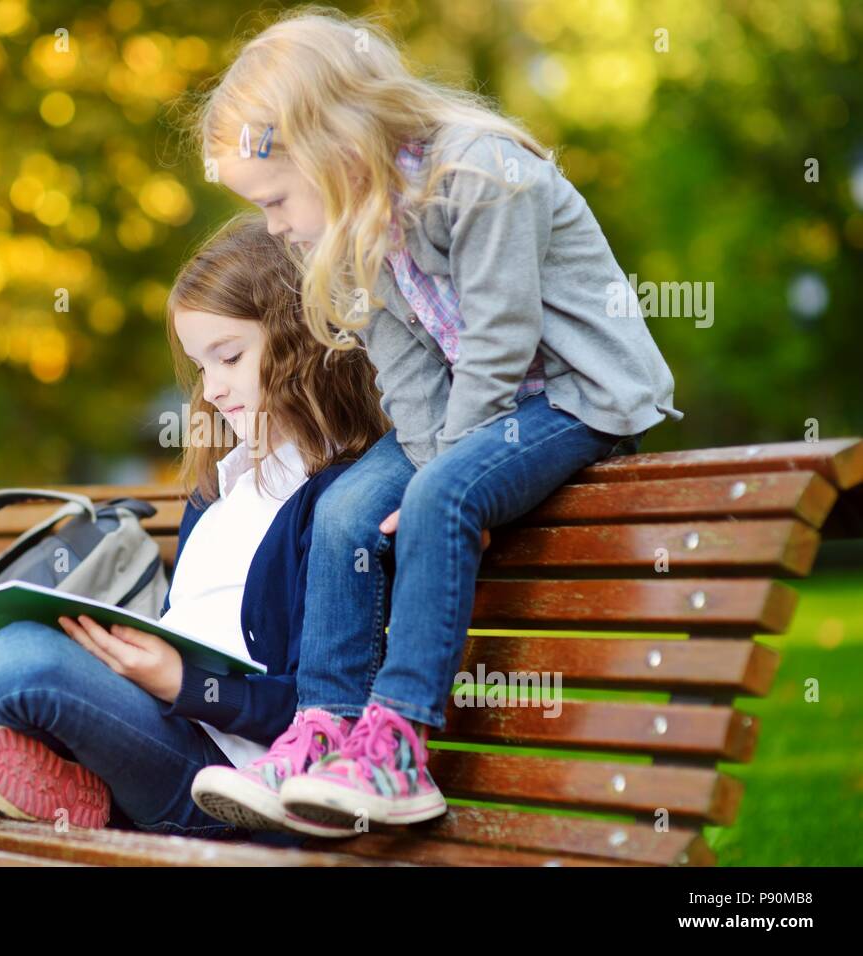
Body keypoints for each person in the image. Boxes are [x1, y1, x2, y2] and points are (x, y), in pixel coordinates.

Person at [190, 8, 684, 835]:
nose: (273, 225)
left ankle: (399, 746)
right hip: (469, 413)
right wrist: (432, 459)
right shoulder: (362, 223)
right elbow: (409, 371)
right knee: (347, 503)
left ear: (329, 146)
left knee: (439, 495)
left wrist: (449, 479)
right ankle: (327, 730)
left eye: (275, 200)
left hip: (571, 398)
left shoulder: (481, 175)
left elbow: (498, 340)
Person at [0, 212, 389, 837]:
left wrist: (182, 683)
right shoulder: (220, 486)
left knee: (20, 661)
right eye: (201, 367)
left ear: (301, 341)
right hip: (140, 717)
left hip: (214, 774)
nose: (213, 389)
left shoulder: (341, 499)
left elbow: (315, 709)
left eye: (229, 357)